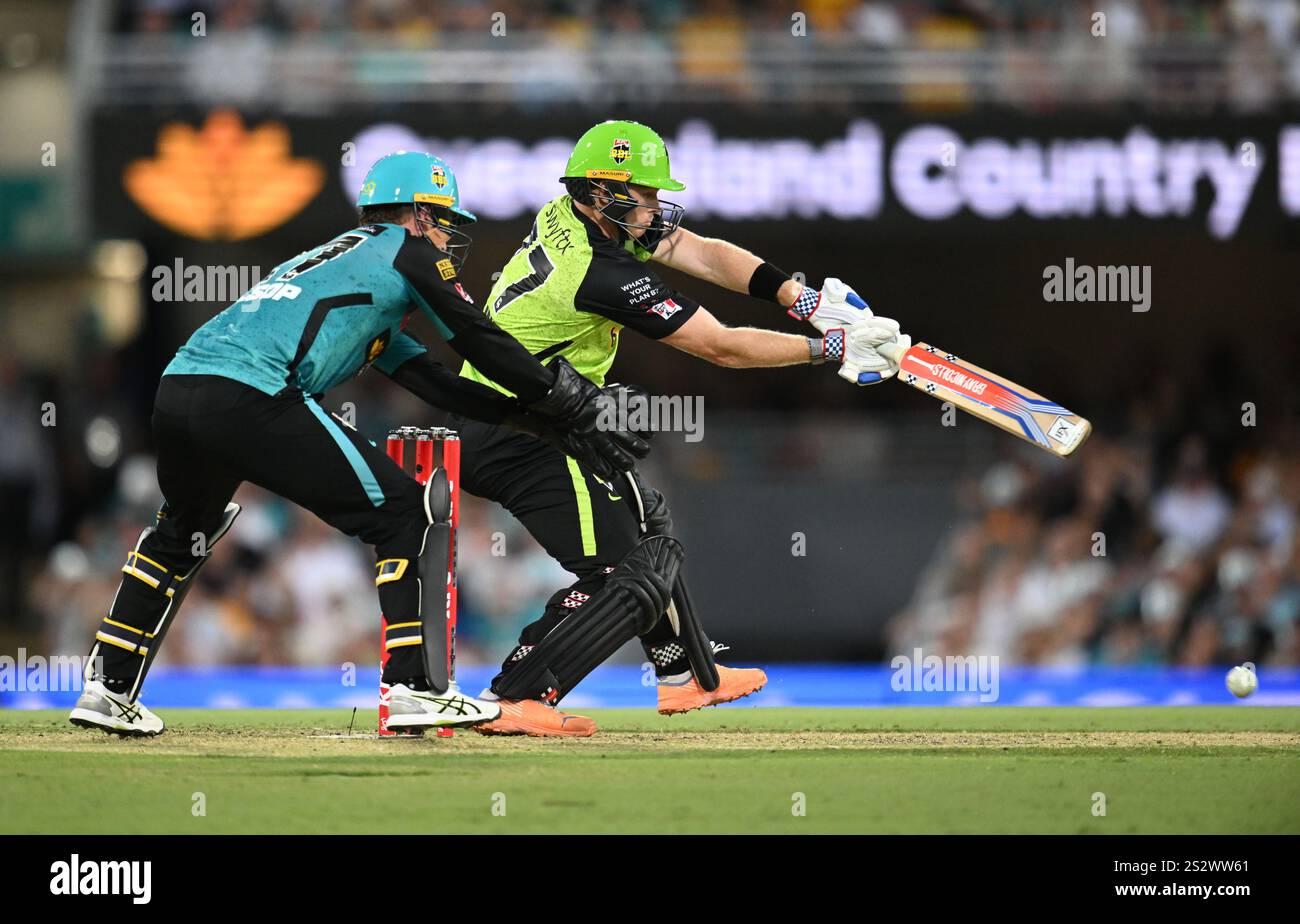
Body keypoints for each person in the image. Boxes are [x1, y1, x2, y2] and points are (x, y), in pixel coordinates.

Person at [68, 151, 651, 737]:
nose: (450, 236)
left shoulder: (343, 265)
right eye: (445, 220)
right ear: (418, 215)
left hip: (179, 390)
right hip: (253, 393)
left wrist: (541, 423)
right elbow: (477, 337)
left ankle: (108, 687)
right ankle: (414, 689)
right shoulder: (409, 249)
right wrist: (565, 399)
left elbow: (434, 382)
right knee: (406, 513)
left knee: (181, 534)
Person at [455, 119, 908, 737]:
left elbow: (698, 249)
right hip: (516, 429)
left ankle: (685, 676)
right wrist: (827, 348)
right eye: (642, 194)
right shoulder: (597, 269)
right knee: (625, 574)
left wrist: (797, 298)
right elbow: (721, 347)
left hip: (534, 414)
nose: (655, 208)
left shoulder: (576, 213)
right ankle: (516, 696)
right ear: (602, 193)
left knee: (650, 529)